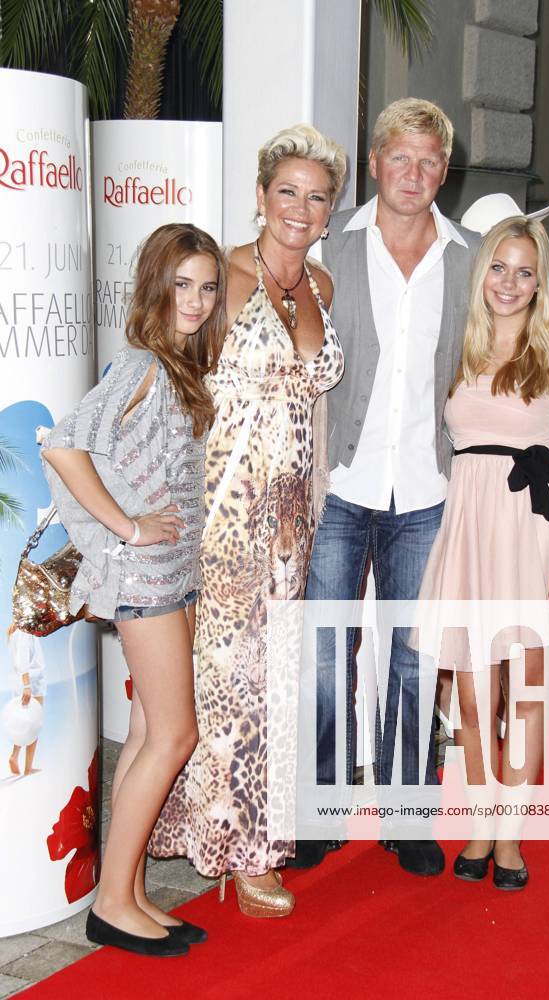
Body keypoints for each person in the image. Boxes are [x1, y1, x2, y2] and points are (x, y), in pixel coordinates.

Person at [149, 124, 345, 917]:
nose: (300, 207)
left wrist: (308, 503)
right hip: (225, 513)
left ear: (330, 209)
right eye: (286, 191)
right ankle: (239, 852)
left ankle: (248, 836)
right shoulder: (221, 280)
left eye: (317, 196)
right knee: (229, 687)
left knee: (275, 683)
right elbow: (167, 383)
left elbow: (310, 407)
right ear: (261, 197)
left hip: (292, 524)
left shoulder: (321, 286)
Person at [292, 98, 481, 878]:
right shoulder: (325, 244)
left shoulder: (470, 257)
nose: (414, 173)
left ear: (445, 170)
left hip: (428, 488)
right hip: (338, 484)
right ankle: (319, 810)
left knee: (413, 657)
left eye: (429, 161)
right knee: (326, 654)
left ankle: (408, 816)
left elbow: (498, 358)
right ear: (373, 164)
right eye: (399, 157)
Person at [42, 223, 225, 956]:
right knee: (175, 734)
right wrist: (126, 525)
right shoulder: (142, 364)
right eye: (182, 284)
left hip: (177, 572)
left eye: (207, 286)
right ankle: (113, 904)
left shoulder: (180, 365)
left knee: (151, 733)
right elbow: (63, 444)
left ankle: (130, 891)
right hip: (147, 577)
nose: (196, 300)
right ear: (156, 285)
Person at [417, 216, 549, 889]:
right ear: (482, 274)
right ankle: (479, 824)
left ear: (540, 283)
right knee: (472, 701)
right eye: (498, 267)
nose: (509, 283)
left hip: (532, 537)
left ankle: (508, 839)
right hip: (468, 535)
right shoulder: (456, 349)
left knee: (525, 696)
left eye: (524, 272)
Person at [7, 623, 45, 776]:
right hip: (32, 682)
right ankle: (28, 769)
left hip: (22, 682)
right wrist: (27, 685)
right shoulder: (25, 632)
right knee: (34, 725)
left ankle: (15, 756)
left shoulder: (14, 631)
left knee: (24, 723)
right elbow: (22, 660)